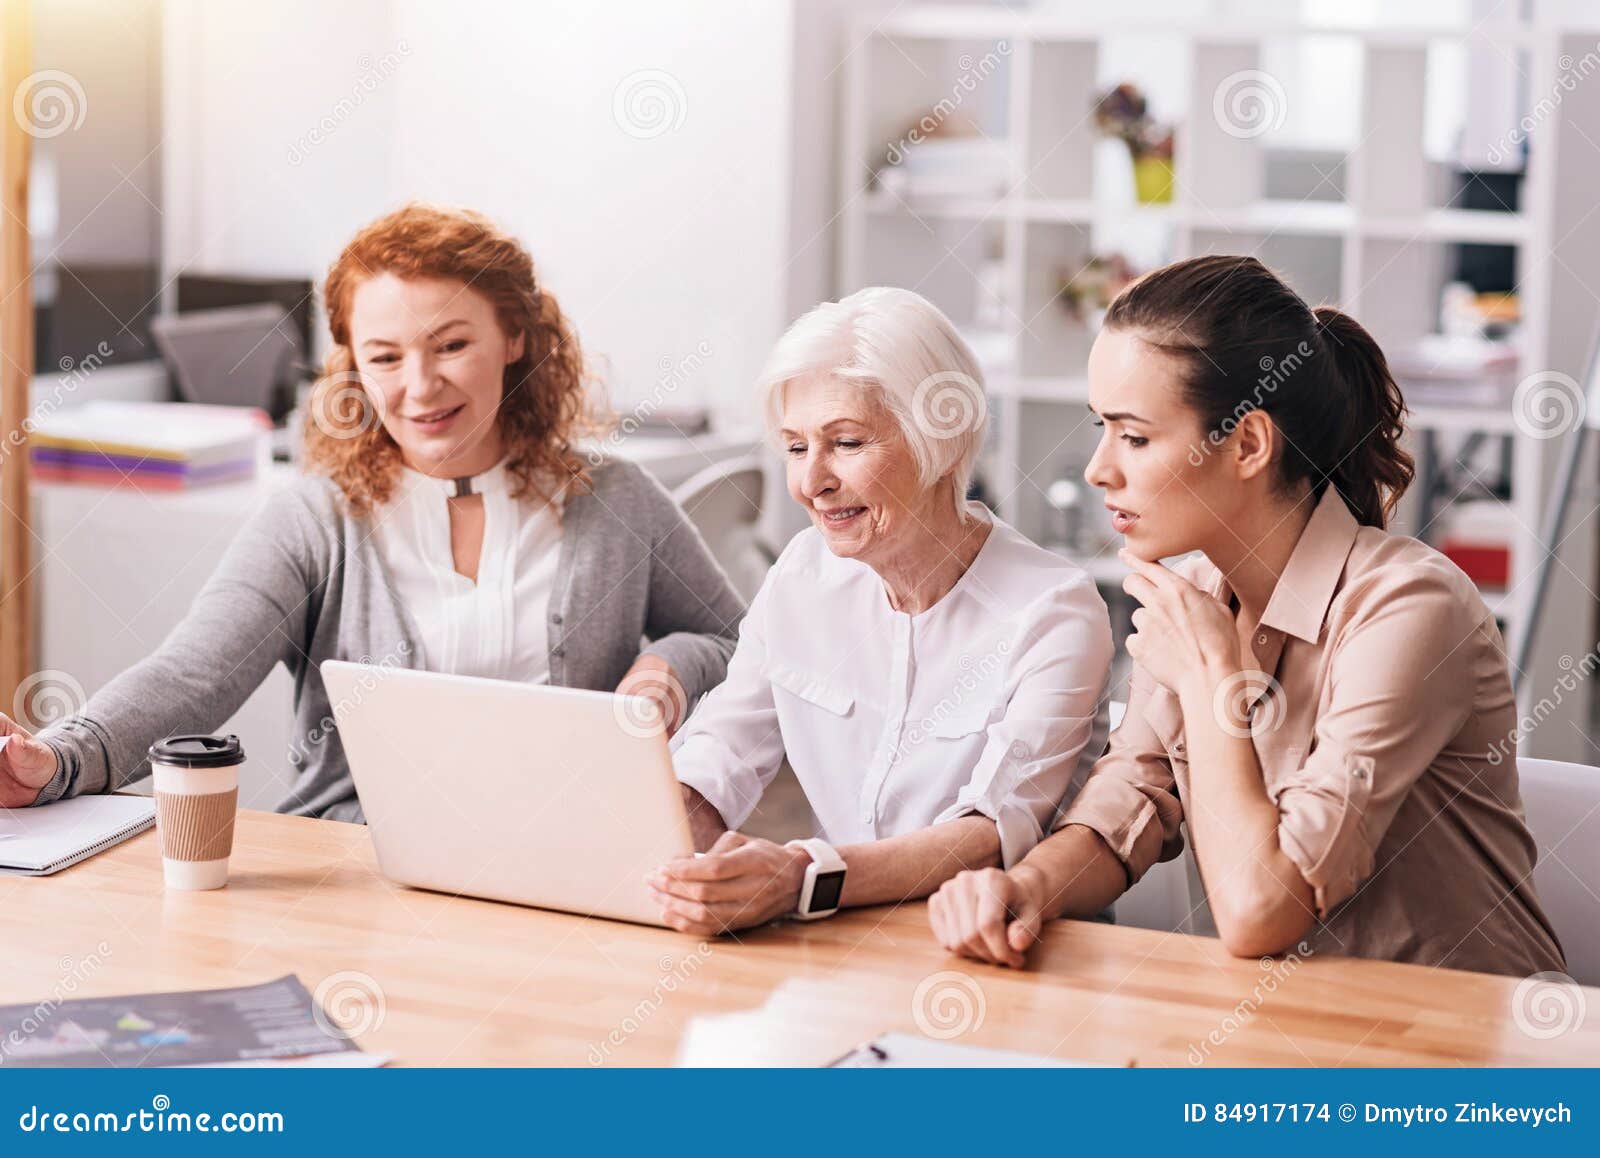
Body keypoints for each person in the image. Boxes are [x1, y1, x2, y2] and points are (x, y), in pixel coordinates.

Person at [928, 254, 1565, 977]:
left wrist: (1208, 680)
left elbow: (1263, 911)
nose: (1099, 468)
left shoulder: (1409, 607)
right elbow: (1130, 802)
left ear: (1249, 444)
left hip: (1469, 1049)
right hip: (1294, 1032)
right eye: (1101, 429)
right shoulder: (1198, 591)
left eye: (1134, 436)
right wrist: (1024, 889)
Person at [0, 203, 743, 821]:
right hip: (362, 861)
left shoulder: (617, 501)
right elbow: (195, 674)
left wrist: (668, 666)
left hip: (575, 848)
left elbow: (739, 643)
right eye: (384, 357)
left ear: (515, 338)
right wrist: (62, 757)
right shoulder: (317, 519)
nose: (420, 387)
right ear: (353, 363)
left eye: (450, 345)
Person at [648, 286, 1114, 935]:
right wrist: (674, 844)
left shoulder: (1052, 611)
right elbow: (723, 747)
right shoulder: (803, 574)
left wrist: (799, 880)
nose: (812, 482)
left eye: (846, 442)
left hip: (1002, 948)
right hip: (843, 940)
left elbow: (990, 831)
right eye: (794, 447)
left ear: (943, 443)